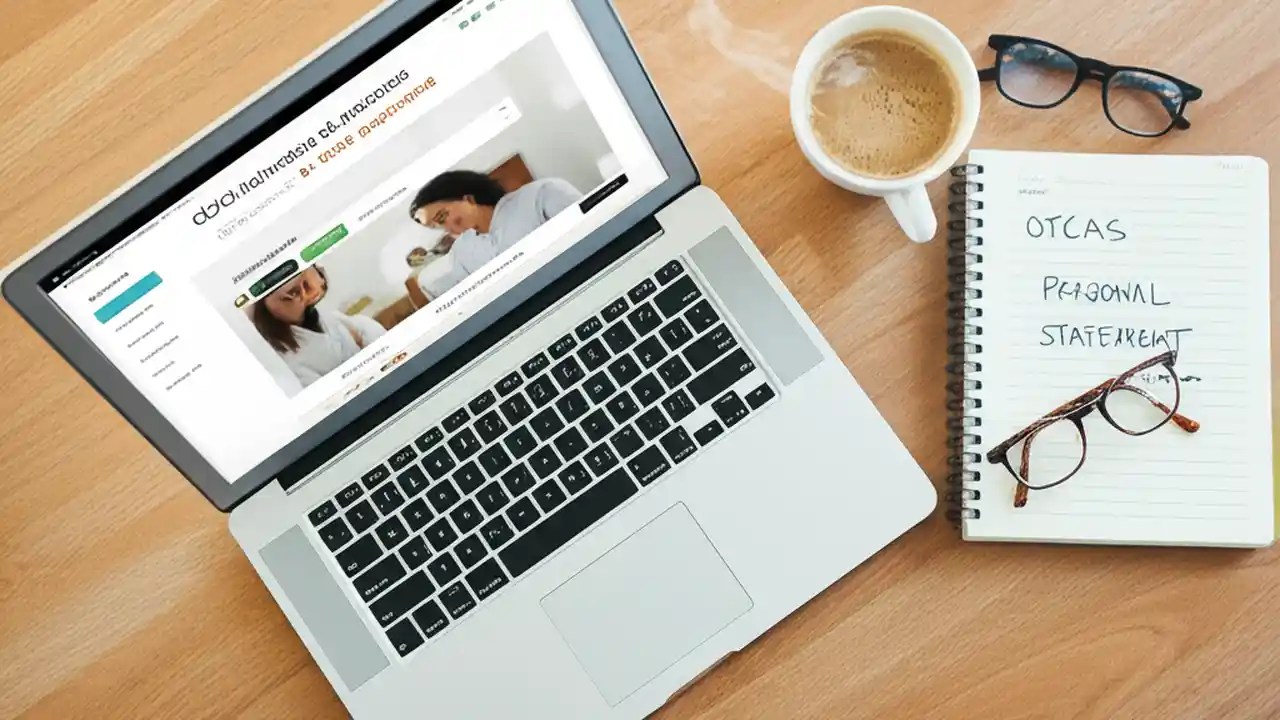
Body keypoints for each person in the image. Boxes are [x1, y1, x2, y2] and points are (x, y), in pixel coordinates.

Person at [408, 170, 581, 299]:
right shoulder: (462, 253)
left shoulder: (542, 194)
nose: (446, 228)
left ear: (468, 199)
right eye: (436, 226)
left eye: (442, 216)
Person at [251, 266, 387, 389]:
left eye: (310, 280)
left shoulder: (323, 315)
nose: (309, 294)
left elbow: (367, 330)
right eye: (293, 293)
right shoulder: (287, 364)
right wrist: (359, 344)